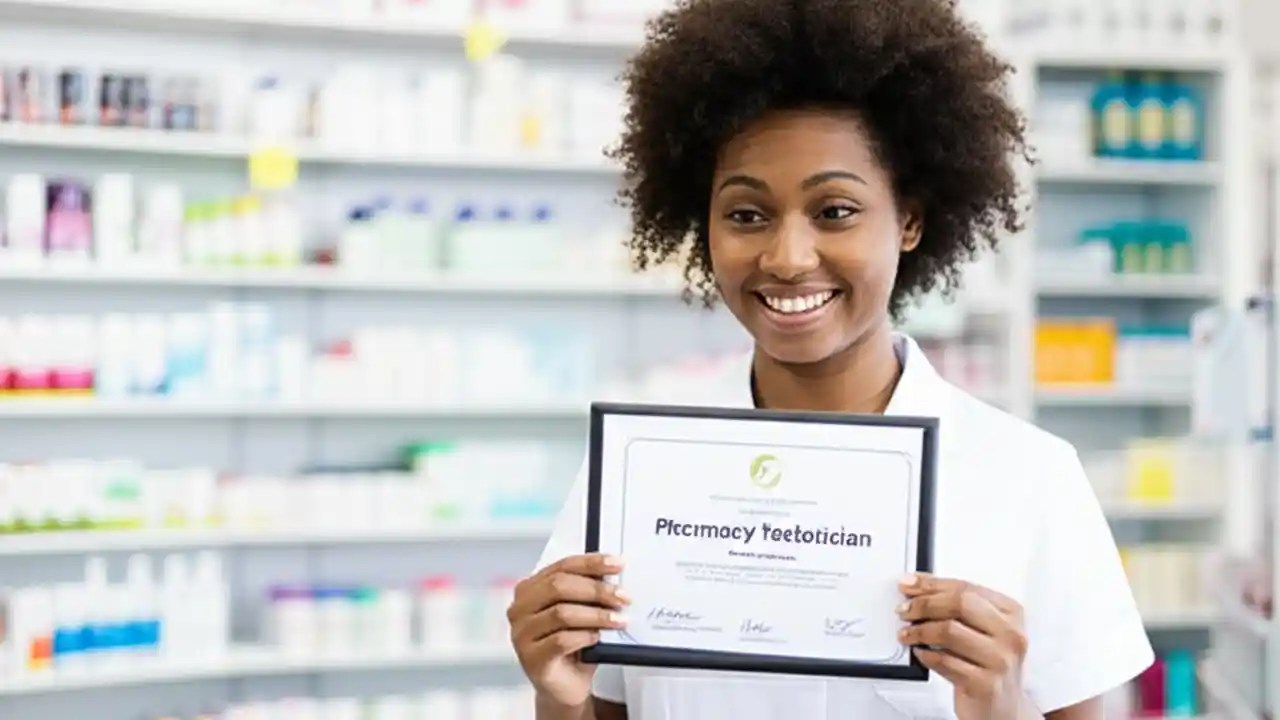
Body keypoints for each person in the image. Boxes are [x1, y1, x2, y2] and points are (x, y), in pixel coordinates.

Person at [506, 0, 1154, 718]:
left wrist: (1000, 704)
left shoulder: (1030, 480)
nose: (787, 258)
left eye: (835, 211)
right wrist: (557, 698)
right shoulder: (638, 470)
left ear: (908, 219)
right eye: (746, 215)